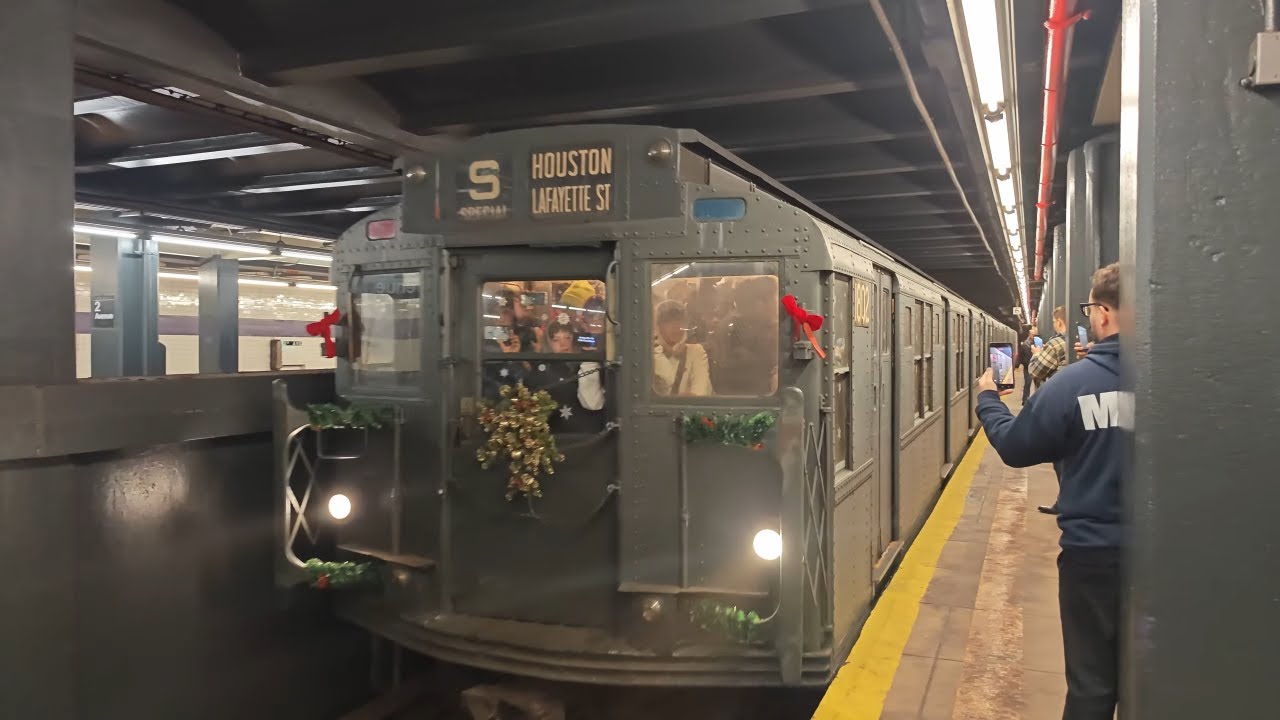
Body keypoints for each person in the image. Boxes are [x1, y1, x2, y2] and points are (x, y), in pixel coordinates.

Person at [975, 263, 1126, 720]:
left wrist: (988, 399)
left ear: (1103, 313)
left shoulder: (1073, 384)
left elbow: (1016, 447)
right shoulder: (1180, 382)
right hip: (1170, 557)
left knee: (1091, 686)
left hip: (1093, 557)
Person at [1029, 305, 1071, 514]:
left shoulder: (1056, 343)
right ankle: (1065, 501)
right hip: (1077, 407)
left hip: (1058, 408)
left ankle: (1066, 503)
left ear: (1059, 322)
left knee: (1061, 460)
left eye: (1054, 322)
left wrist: (1037, 354)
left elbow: (1035, 371)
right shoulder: (1080, 341)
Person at [652, 300, 713, 396]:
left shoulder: (695, 351)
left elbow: (701, 392)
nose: (676, 326)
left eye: (680, 321)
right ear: (658, 326)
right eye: (668, 321)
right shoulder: (650, 355)